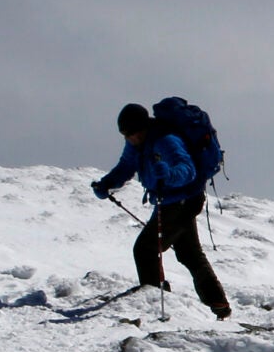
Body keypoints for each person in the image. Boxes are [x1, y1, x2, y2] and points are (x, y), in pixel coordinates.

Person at [93, 103, 232, 319]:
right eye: (127, 135)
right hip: (171, 202)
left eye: (134, 133)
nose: (131, 138)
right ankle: (219, 305)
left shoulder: (165, 140)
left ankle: (154, 303)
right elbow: (126, 165)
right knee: (189, 254)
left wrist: (169, 174)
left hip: (184, 201)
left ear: (144, 126)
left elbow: (187, 169)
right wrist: (107, 183)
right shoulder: (137, 143)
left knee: (145, 249)